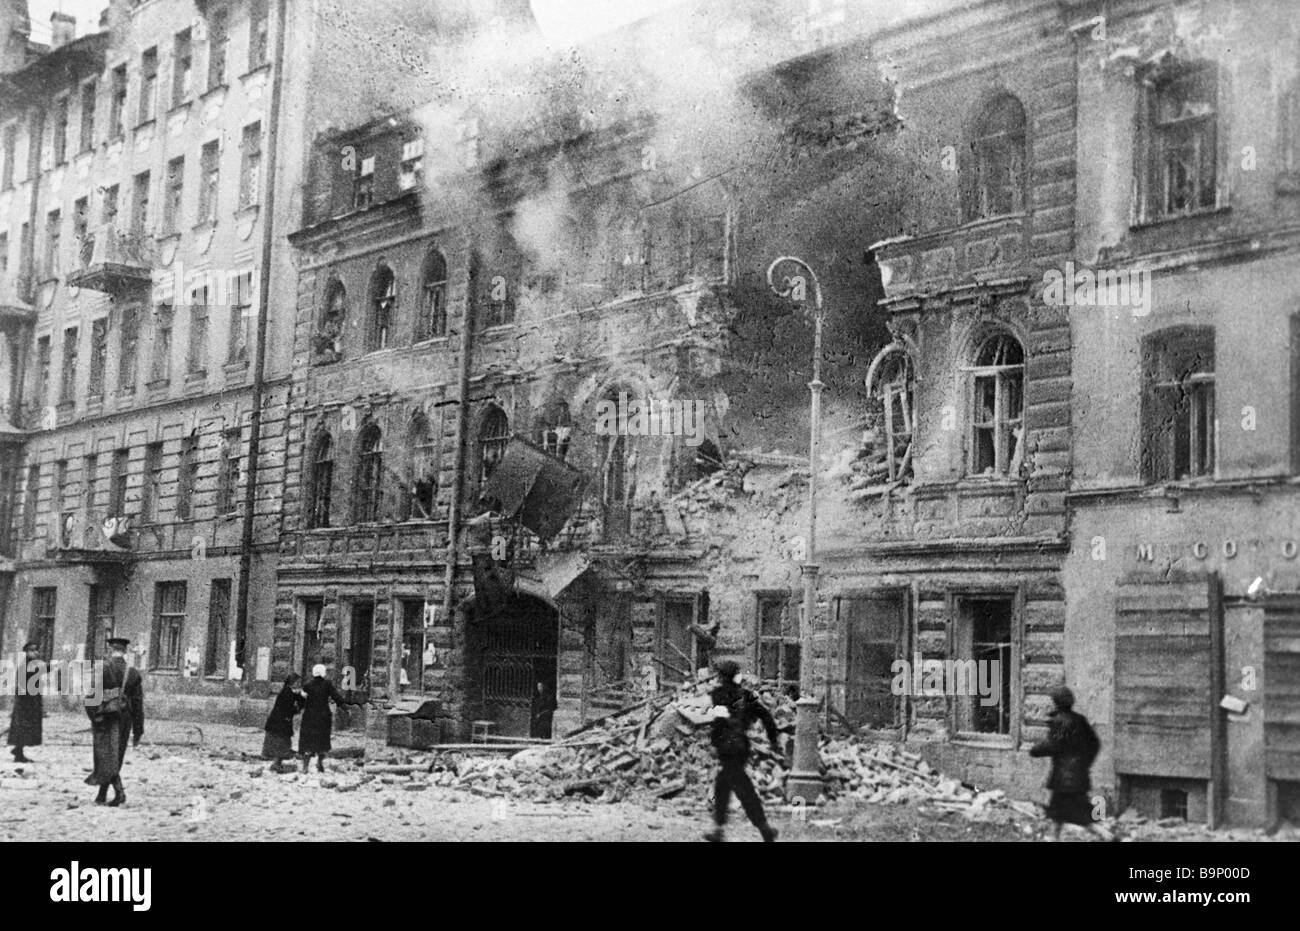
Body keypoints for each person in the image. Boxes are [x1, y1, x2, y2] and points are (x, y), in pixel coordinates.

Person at [704, 660, 780, 842]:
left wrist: (714, 742)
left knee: (741, 788)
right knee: (724, 785)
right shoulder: (746, 695)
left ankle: (763, 829)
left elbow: (718, 723)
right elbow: (765, 715)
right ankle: (721, 830)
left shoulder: (718, 694)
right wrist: (773, 738)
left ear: (721, 676)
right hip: (741, 747)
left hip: (727, 748)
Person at [1029, 686, 1115, 841]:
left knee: (1075, 814)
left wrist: (1035, 750)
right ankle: (1054, 837)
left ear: (1056, 702)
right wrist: (1084, 763)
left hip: (1064, 779)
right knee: (1058, 811)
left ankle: (1105, 835)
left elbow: (1053, 744)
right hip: (1077, 776)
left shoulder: (1060, 721)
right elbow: (1094, 743)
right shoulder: (1079, 719)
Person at [85, 637, 144, 807]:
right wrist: (138, 731)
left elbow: (90, 698)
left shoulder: (102, 669)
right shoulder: (133, 673)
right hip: (124, 720)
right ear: (125, 652)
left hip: (105, 718)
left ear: (110, 650)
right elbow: (138, 704)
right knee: (115, 755)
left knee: (104, 755)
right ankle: (102, 794)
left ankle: (119, 792)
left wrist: (95, 717)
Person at [298, 664, 356, 774]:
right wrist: (346, 708)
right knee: (322, 741)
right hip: (323, 717)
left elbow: (301, 701)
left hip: (309, 717)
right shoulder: (327, 685)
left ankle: (305, 767)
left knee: (308, 741)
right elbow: (337, 697)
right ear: (323, 672)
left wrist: (295, 710)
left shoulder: (307, 686)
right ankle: (320, 764)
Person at [8, 641, 44, 763]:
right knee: (23, 727)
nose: (36, 652)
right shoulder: (27, 665)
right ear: (27, 652)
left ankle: (18, 750)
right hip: (25, 702)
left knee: (25, 728)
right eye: (32, 650)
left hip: (30, 701)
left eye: (36, 650)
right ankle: (18, 752)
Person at [262, 673, 306, 773]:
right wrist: (298, 708)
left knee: (281, 744)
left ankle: (277, 764)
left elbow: (295, 697)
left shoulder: (287, 690)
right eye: (297, 682)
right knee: (281, 744)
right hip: (280, 724)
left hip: (278, 723)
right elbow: (289, 708)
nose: (299, 684)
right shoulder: (287, 692)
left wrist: (301, 697)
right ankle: (276, 765)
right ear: (292, 682)